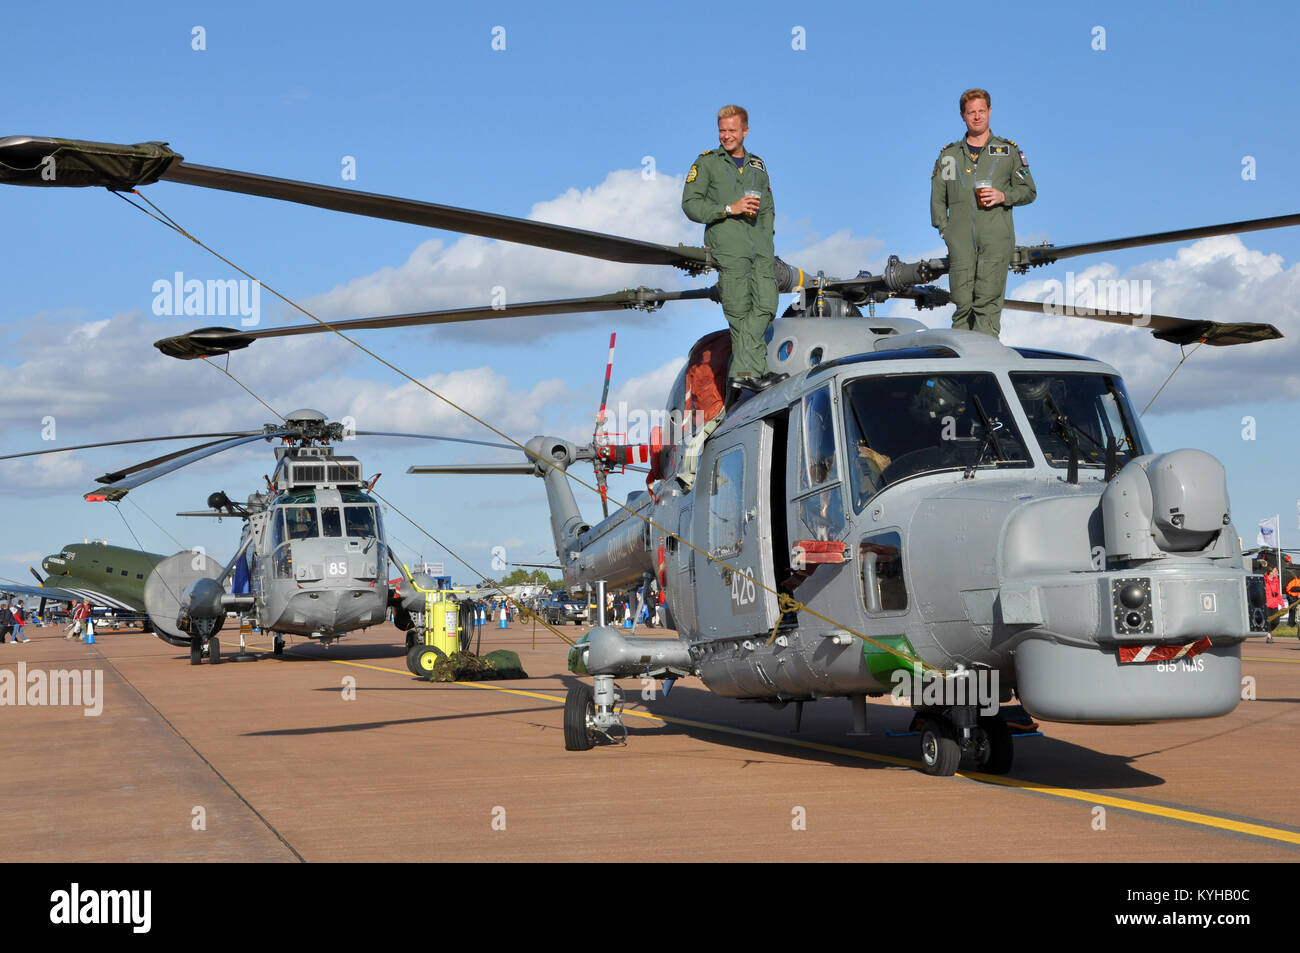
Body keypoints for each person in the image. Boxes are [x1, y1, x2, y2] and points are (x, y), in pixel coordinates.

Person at [682, 104, 781, 394]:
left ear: (745, 131)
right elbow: (690, 204)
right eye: (722, 131)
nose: (726, 136)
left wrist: (767, 240)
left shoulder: (757, 166)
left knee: (766, 306)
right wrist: (728, 209)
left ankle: (743, 372)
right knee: (739, 310)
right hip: (728, 245)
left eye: (732, 131)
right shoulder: (707, 163)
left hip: (759, 248)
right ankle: (752, 372)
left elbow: (768, 210)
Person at [930, 88, 1036, 338]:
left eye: (981, 111)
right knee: (962, 302)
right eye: (971, 113)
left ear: (989, 112)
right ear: (962, 116)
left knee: (986, 304)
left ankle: (983, 361)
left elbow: (1029, 191)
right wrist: (946, 231)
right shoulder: (949, 156)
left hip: (995, 240)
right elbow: (937, 199)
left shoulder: (1007, 152)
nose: (976, 117)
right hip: (961, 243)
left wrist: (1003, 196)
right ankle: (961, 363)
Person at [1265, 566, 1283, 643]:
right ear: (1271, 572)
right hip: (1267, 604)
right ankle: (1269, 636)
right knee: (1268, 621)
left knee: (1276, 621)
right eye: (1275, 571)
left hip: (1275, 603)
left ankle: (1267, 632)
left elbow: (1278, 592)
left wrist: (1282, 603)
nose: (1277, 573)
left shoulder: (1276, 581)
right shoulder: (1264, 580)